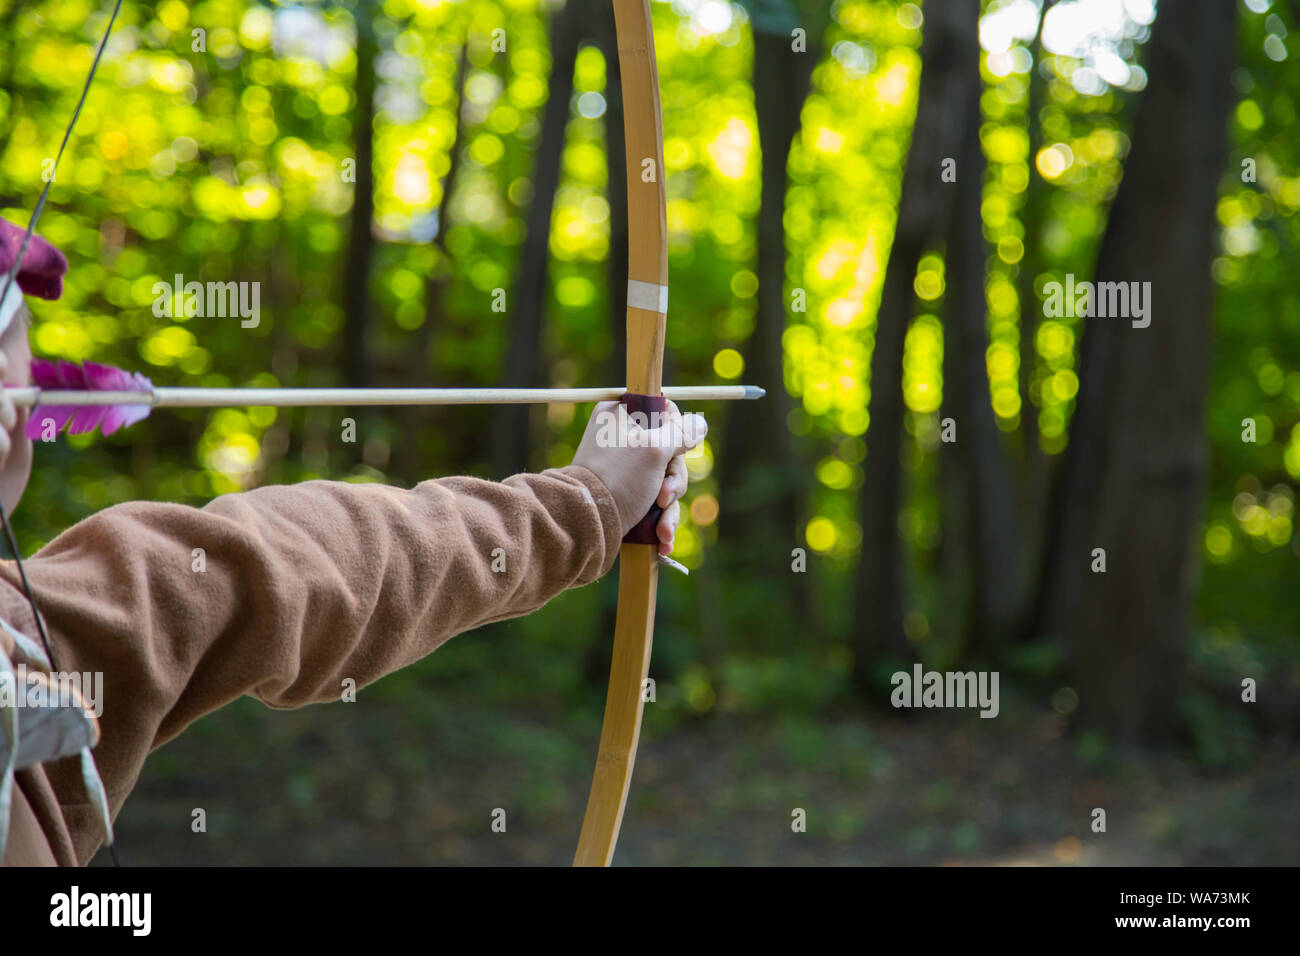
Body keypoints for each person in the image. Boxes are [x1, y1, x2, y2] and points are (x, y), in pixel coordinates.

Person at [0, 218, 705, 865]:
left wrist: (587, 502)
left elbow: (279, 566)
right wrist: (585, 502)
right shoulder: (26, 643)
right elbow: (251, 567)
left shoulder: (30, 649)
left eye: (8, 332)